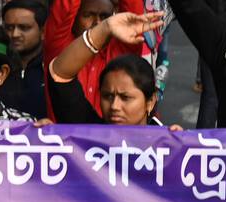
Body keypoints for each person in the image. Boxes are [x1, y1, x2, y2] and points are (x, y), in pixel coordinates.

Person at [43, 10, 171, 126]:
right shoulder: (89, 132)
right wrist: (105, 28)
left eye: (125, 97)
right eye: (107, 96)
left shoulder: (170, 145)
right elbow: (60, 74)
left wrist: (183, 144)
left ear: (150, 102)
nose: (114, 106)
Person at [0, 0, 49, 119]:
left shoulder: (54, 68)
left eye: (24, 28)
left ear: (43, 31)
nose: (14, 34)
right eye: (9, 28)